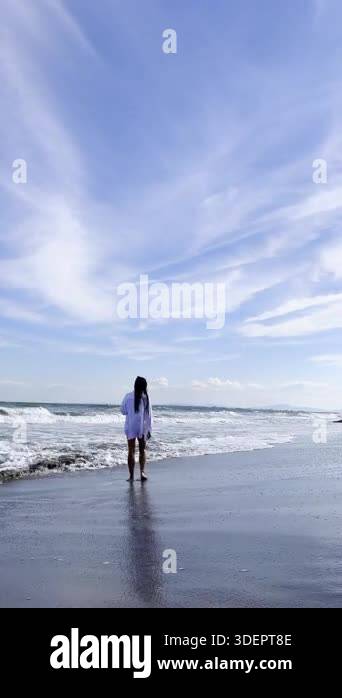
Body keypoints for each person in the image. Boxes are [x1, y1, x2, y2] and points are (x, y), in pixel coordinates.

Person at [121, 376, 152, 481]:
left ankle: (131, 476)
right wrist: (149, 429)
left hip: (130, 426)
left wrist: (131, 413)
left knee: (131, 451)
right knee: (142, 450)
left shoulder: (128, 396)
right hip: (142, 428)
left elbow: (123, 411)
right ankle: (142, 473)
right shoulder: (145, 398)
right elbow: (149, 415)